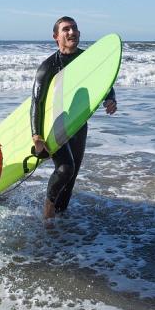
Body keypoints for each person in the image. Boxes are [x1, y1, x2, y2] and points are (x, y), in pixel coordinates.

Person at [30, 17, 117, 220]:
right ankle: (48, 212)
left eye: (75, 28)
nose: (72, 32)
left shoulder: (88, 61)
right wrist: (36, 134)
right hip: (53, 123)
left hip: (78, 123)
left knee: (71, 177)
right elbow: (37, 102)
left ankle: (61, 219)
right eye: (66, 29)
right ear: (56, 37)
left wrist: (110, 99)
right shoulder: (48, 67)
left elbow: (104, 83)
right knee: (65, 168)